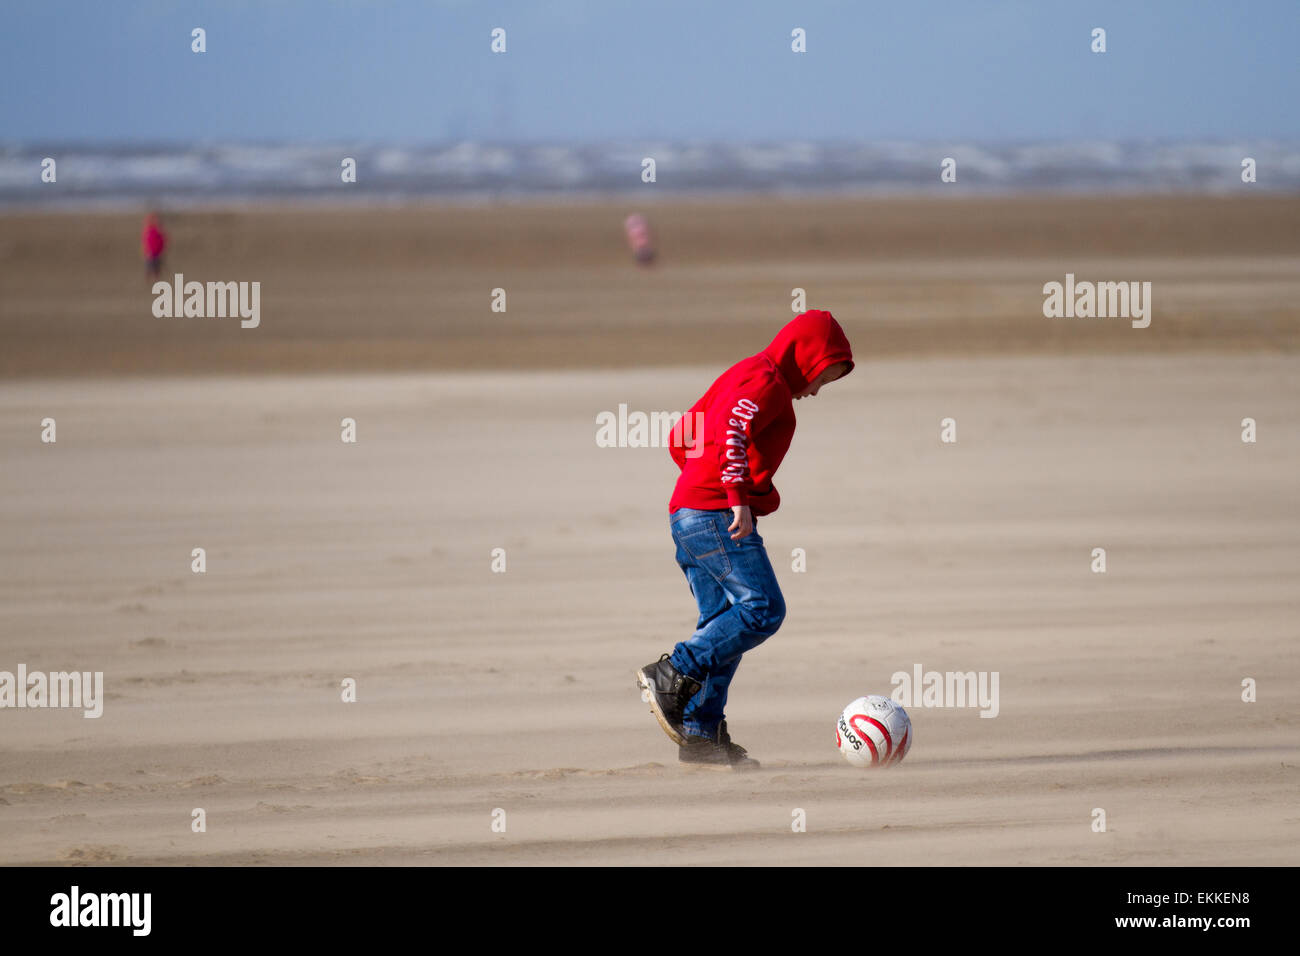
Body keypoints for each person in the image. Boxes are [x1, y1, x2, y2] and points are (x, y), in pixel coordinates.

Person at [636, 309, 854, 769]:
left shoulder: (745, 372)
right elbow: (730, 431)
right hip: (715, 512)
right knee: (762, 610)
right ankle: (674, 671)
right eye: (819, 378)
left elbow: (683, 435)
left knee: (722, 623)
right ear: (805, 358)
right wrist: (733, 495)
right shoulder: (768, 382)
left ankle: (700, 733)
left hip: (687, 511)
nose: (814, 391)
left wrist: (698, 483)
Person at [141, 212, 166, 281]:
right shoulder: (149, 231)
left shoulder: (156, 232)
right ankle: (149, 281)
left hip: (156, 253)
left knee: (155, 269)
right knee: (150, 268)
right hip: (151, 253)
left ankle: (155, 281)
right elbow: (146, 242)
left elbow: (162, 242)